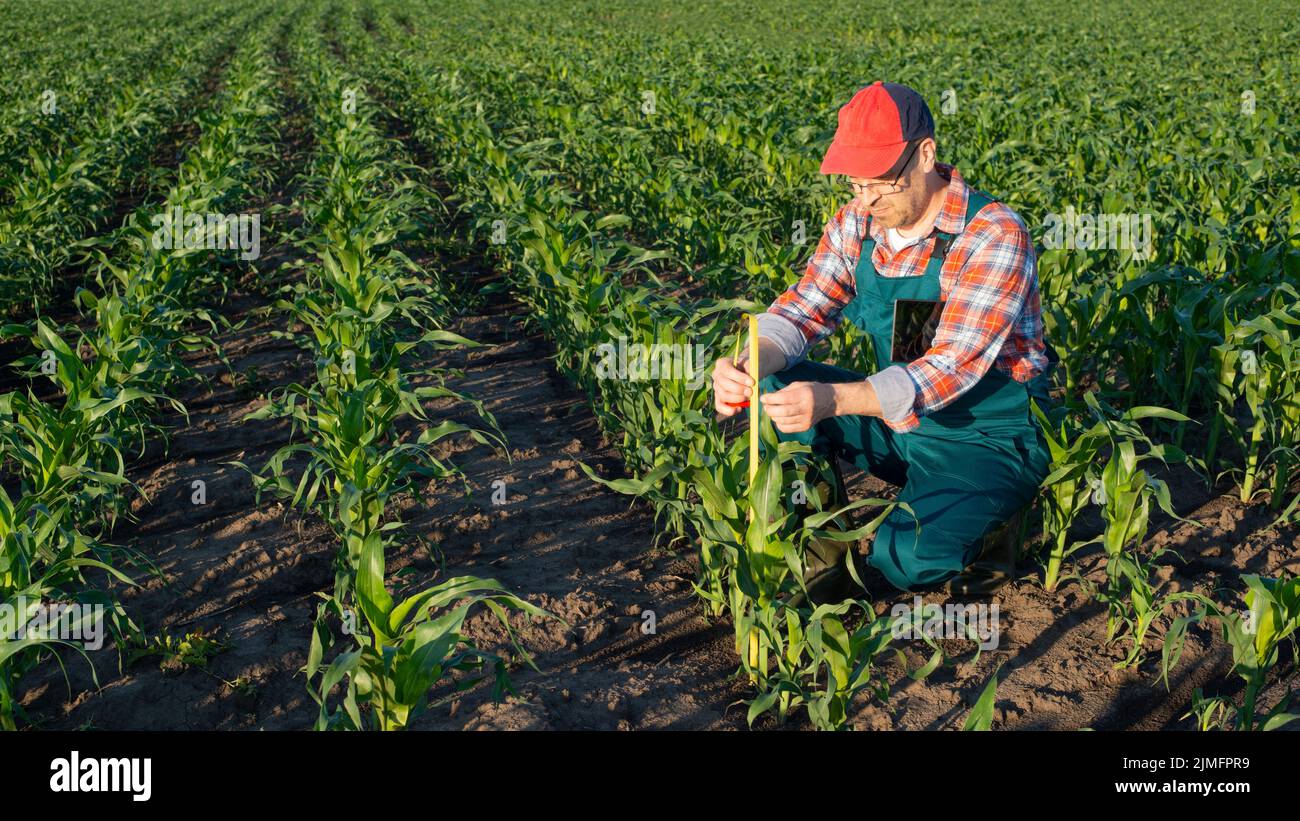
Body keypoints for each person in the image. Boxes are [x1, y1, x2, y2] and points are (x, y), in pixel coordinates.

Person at [712, 81, 1056, 599]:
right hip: (900, 418)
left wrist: (833, 400)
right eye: (855, 185)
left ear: (925, 154)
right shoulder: (859, 222)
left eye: (881, 183)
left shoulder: (991, 233)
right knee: (776, 385)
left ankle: (1004, 520)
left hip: (986, 436)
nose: (867, 199)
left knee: (904, 559)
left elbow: (952, 366)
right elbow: (804, 308)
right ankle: (819, 561)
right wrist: (748, 360)